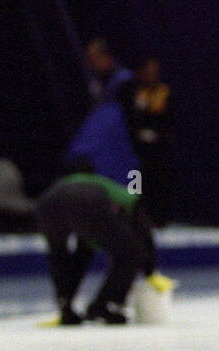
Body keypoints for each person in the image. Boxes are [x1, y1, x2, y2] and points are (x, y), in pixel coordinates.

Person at [35, 171, 170, 325]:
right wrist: (150, 271)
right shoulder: (130, 200)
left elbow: (81, 257)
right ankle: (105, 305)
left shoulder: (87, 188)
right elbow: (144, 234)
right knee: (132, 253)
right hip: (86, 201)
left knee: (59, 255)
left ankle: (65, 308)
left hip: (46, 203)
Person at [130, 56, 175, 226]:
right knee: (136, 185)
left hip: (160, 150)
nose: (151, 75)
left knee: (160, 185)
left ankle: (161, 220)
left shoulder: (164, 92)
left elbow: (171, 122)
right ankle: (137, 220)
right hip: (138, 153)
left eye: (154, 72)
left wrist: (158, 136)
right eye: (147, 72)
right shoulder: (135, 93)